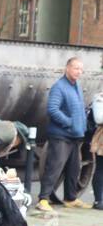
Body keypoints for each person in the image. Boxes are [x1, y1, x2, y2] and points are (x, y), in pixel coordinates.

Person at [37, 57, 88, 212]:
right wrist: (70, 123)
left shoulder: (76, 86)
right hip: (61, 136)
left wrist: (81, 126)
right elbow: (52, 110)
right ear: (67, 68)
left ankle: (70, 198)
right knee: (54, 167)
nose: (79, 72)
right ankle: (43, 200)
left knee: (74, 168)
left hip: (74, 136)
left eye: (81, 69)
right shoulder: (59, 87)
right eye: (76, 68)